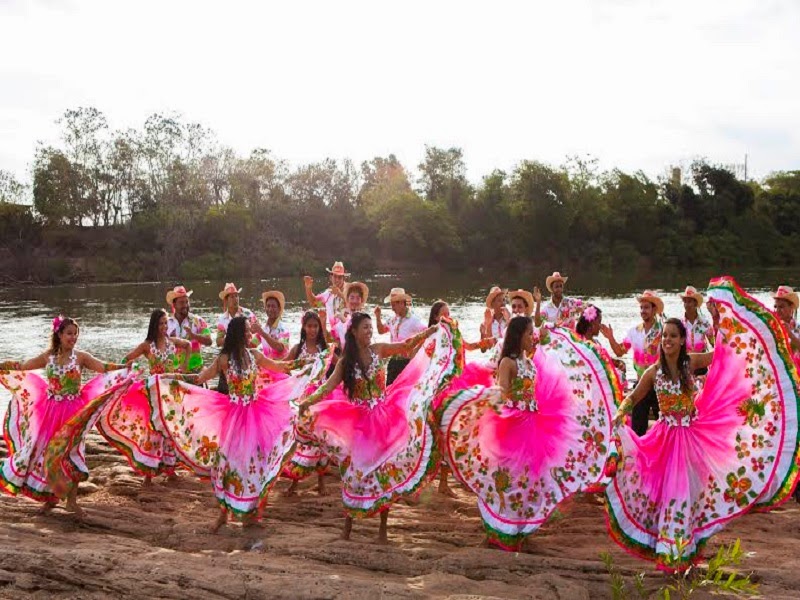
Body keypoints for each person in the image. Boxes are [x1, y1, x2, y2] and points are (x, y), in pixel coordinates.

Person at [605, 277, 800, 571]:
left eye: (673, 336)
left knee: (691, 494)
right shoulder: (653, 372)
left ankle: (686, 548)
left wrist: (719, 318)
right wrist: (620, 415)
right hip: (665, 439)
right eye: (665, 336)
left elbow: (722, 352)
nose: (667, 340)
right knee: (672, 493)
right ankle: (671, 551)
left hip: (692, 437)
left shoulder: (690, 363)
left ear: (682, 340)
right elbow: (632, 398)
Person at [438, 315, 617, 550]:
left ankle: (522, 532)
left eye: (533, 332)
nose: (532, 336)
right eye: (529, 332)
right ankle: (495, 532)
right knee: (505, 479)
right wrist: (486, 396)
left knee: (531, 482)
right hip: (512, 427)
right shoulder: (508, 363)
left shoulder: (528, 361)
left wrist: (551, 334)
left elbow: (551, 360)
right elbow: (502, 390)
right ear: (518, 336)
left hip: (534, 425)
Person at [149, 316, 325, 532]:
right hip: (233, 416)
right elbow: (200, 377)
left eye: (250, 331)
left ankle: (250, 515)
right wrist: (169, 378)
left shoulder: (255, 355)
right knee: (227, 464)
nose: (251, 334)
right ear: (239, 333)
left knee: (254, 463)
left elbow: (280, 366)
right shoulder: (224, 359)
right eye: (248, 331)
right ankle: (223, 514)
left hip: (256, 413)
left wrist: (306, 363)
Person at [298, 312, 455, 543]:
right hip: (360, 423)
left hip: (384, 416)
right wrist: (307, 402)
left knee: (383, 472)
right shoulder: (346, 362)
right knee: (354, 475)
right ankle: (347, 528)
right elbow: (328, 385)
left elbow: (406, 345)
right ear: (353, 332)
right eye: (365, 328)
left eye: (371, 328)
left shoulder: (379, 349)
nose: (370, 332)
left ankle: (383, 530)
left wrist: (430, 332)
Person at [0, 316, 131, 516]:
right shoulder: (48, 357)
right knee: (47, 453)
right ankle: (50, 498)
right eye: (69, 333)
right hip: (50, 411)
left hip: (74, 412)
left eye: (75, 333)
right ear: (59, 335)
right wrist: (4, 365)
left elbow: (102, 367)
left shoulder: (81, 357)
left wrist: (123, 369)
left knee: (72, 453)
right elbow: (25, 365)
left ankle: (72, 501)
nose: (73, 337)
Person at [95, 309, 191, 485]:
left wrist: (183, 368)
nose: (163, 327)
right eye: (160, 323)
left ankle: (170, 470)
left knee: (170, 429)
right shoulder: (148, 345)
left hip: (170, 390)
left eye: (165, 323)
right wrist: (130, 371)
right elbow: (128, 358)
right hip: (154, 390)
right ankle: (148, 473)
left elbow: (188, 345)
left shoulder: (172, 342)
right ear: (154, 325)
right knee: (153, 430)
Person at [427, 300, 495, 497]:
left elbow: (469, 346)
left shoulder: (455, 333)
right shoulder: (433, 337)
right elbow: (431, 360)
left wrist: (485, 342)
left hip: (461, 380)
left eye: (449, 313)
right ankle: (443, 482)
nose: (448, 316)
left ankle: (460, 475)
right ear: (435, 318)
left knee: (464, 430)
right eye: (443, 314)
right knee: (444, 432)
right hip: (444, 386)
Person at [282, 311, 332, 496]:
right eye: (309, 326)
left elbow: (338, 365)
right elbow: (283, 366)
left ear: (319, 329)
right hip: (301, 400)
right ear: (303, 327)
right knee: (300, 440)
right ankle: (295, 483)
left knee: (320, 440)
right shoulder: (297, 349)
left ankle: (321, 482)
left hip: (320, 399)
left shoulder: (324, 349)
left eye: (315, 326)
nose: (312, 329)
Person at [605, 290, 664, 435]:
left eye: (646, 308)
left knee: (663, 425)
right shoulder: (634, 331)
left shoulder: (663, 331)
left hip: (660, 384)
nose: (643, 311)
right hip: (640, 385)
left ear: (654, 309)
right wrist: (610, 337)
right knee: (638, 428)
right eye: (641, 308)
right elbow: (620, 352)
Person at [374, 287, 427, 385]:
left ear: (402, 303)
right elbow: (381, 331)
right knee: (389, 391)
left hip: (406, 362)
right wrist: (377, 316)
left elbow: (427, 334)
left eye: (394, 305)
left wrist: (415, 351)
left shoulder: (414, 321)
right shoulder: (393, 320)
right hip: (393, 361)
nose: (392, 308)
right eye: (391, 305)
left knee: (404, 393)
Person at [215, 283, 259, 393]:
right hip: (230, 357)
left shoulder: (248, 314)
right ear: (226, 300)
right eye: (232, 297)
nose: (235, 299)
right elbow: (218, 341)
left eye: (236, 296)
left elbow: (258, 332)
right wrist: (233, 339)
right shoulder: (222, 319)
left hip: (246, 354)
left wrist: (250, 344)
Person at [575, 304, 627, 391]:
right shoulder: (581, 343)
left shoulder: (596, 342)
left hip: (597, 377)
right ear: (592, 324)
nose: (600, 325)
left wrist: (618, 363)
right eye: (599, 321)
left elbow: (604, 359)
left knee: (621, 368)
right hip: (589, 381)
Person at [166, 285, 212, 374]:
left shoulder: (198, 321)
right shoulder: (166, 323)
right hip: (173, 372)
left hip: (196, 370)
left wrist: (194, 336)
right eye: (181, 302)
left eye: (187, 302)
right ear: (174, 304)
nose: (185, 305)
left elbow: (209, 341)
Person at [304, 261, 350, 330]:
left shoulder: (350, 289)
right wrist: (308, 289)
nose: (337, 280)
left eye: (340, 277)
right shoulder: (328, 294)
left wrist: (340, 294)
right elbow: (314, 303)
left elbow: (355, 305)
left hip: (350, 333)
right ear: (331, 278)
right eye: (335, 276)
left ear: (344, 278)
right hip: (335, 334)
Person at [253, 290, 290, 361]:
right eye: (268, 306)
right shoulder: (264, 329)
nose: (270, 309)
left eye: (273, 306)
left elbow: (280, 348)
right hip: (267, 367)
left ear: (279, 309)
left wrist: (262, 333)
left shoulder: (284, 329)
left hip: (281, 367)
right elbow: (252, 345)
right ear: (265, 308)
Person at [330, 281, 369, 347]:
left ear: (361, 300)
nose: (354, 301)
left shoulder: (365, 317)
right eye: (352, 298)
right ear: (347, 300)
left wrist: (343, 320)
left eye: (358, 298)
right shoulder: (342, 315)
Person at [772, 285, 800, 368]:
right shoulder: (772, 328)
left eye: (781, 306)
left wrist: (790, 335)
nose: (777, 310)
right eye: (775, 307)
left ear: (791, 307)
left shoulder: (798, 328)